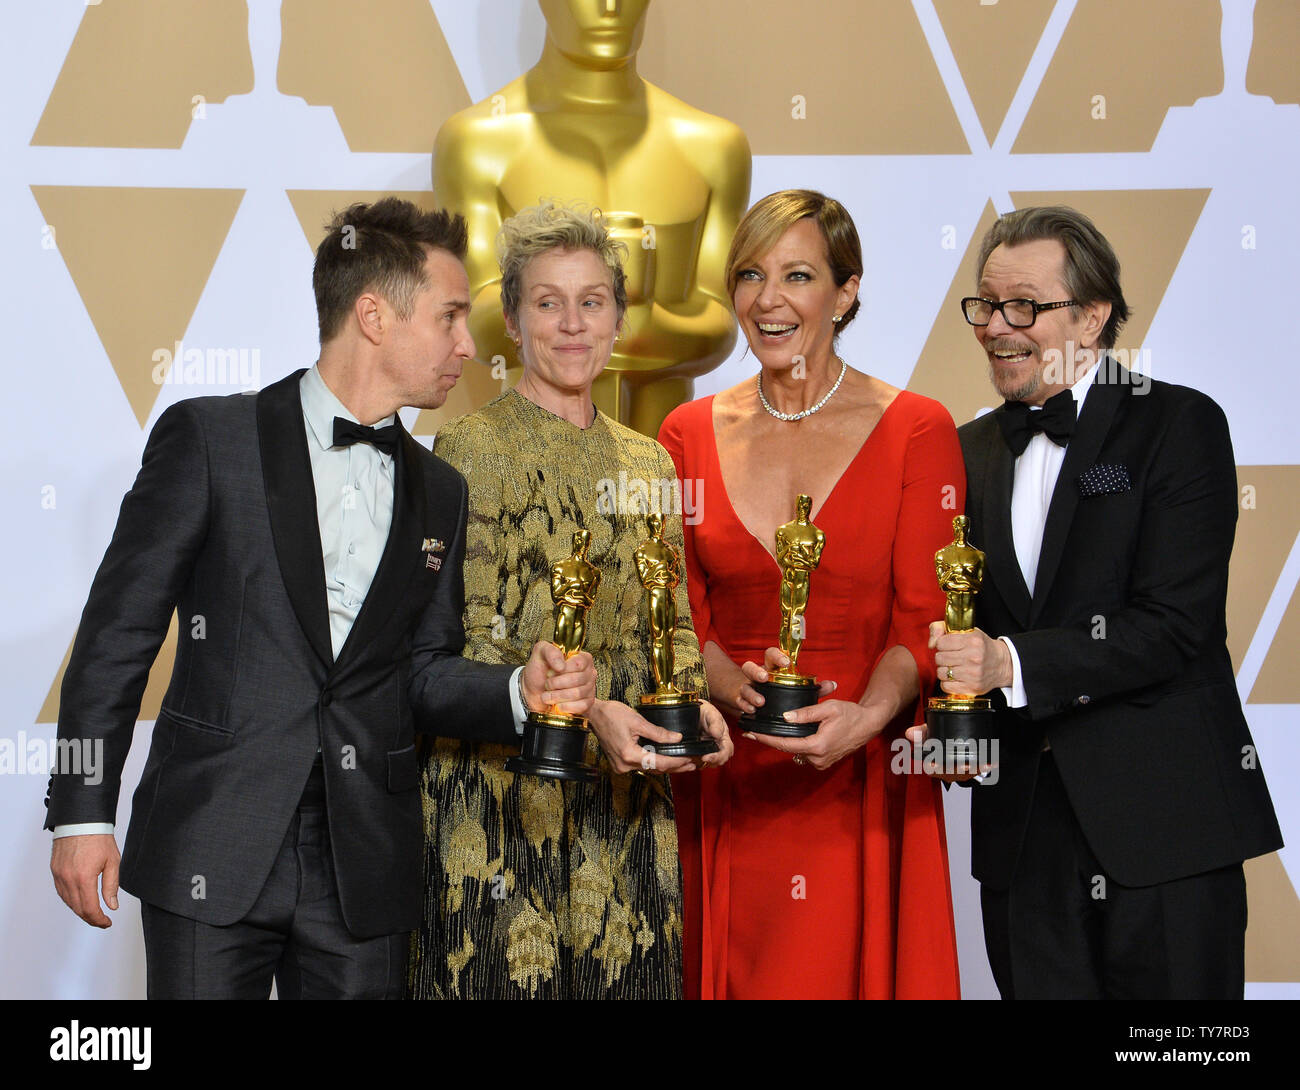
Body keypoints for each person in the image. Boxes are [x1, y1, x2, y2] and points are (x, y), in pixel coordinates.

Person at [45, 197, 595, 999]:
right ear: (374, 315)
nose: (468, 346)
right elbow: (115, 637)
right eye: (448, 317)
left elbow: (423, 672)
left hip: (362, 866)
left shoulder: (440, 489)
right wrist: (82, 812)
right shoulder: (209, 438)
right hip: (212, 840)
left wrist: (519, 691)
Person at [932, 204, 1282, 999]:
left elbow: (1173, 627)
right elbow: (958, 621)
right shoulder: (967, 450)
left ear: (1091, 318)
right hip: (1023, 840)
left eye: (1024, 305)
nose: (995, 326)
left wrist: (1007, 663)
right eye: (985, 305)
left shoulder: (1179, 423)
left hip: (1165, 828)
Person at [407, 200, 732, 1000]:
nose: (572, 324)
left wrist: (695, 709)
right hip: (497, 803)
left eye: (592, 302)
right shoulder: (464, 451)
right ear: (512, 322)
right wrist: (590, 713)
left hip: (626, 807)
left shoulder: (651, 463)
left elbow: (672, 625)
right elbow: (473, 646)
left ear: (619, 317)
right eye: (547, 303)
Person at [659, 189, 964, 999]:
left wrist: (866, 717)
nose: (769, 300)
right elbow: (679, 611)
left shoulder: (919, 428)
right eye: (751, 275)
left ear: (847, 291)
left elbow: (922, 620)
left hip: (865, 777)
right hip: (732, 773)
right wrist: (723, 678)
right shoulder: (684, 434)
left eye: (798, 275)